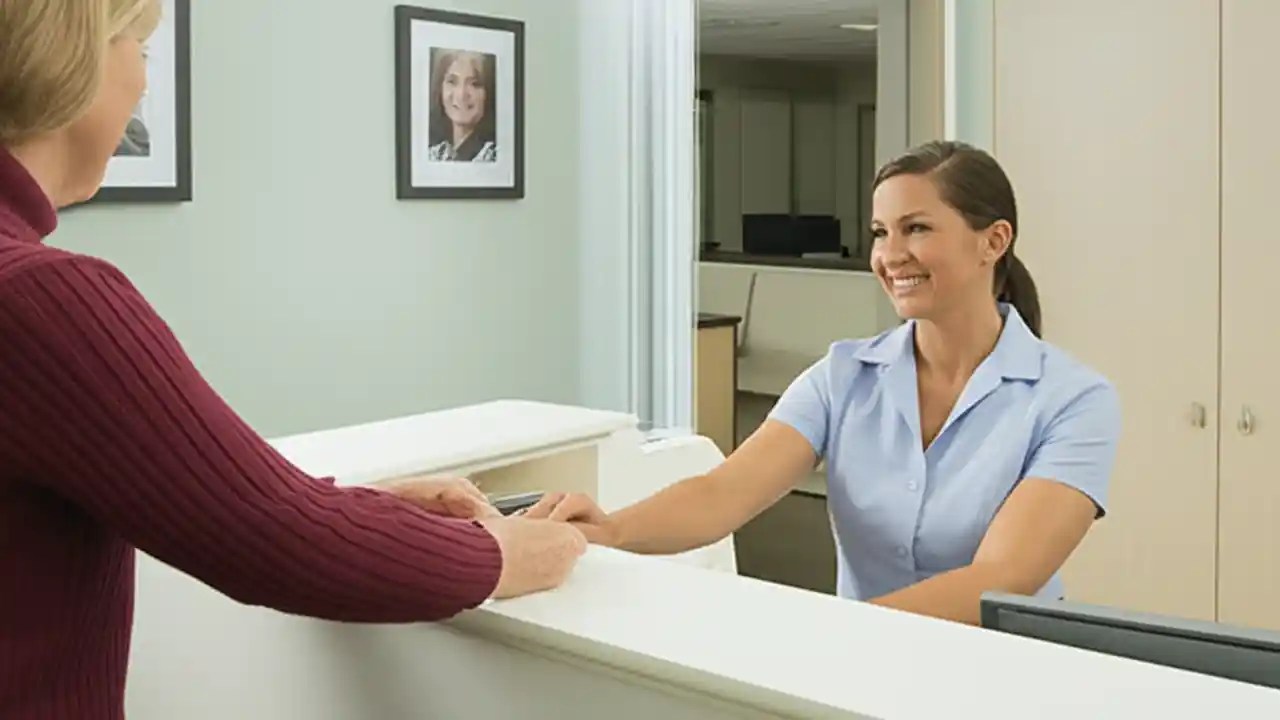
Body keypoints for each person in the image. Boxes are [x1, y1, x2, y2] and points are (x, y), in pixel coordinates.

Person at [0, 1, 585, 716]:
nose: (144, 84)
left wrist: (357, 506)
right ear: (72, 60)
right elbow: (273, 537)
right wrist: (504, 555)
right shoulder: (39, 297)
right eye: (139, 49)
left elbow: (185, 492)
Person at [526, 140, 1122, 626]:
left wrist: (829, 635)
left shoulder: (1072, 401)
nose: (891, 255)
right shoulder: (842, 378)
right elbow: (723, 493)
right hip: (860, 667)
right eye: (880, 232)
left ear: (994, 241)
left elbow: (1004, 576)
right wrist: (611, 529)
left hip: (1008, 671)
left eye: (916, 228)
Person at [427, 49, 498, 162]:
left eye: (474, 84)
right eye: (452, 82)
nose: (461, 94)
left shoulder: (494, 155)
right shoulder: (433, 154)